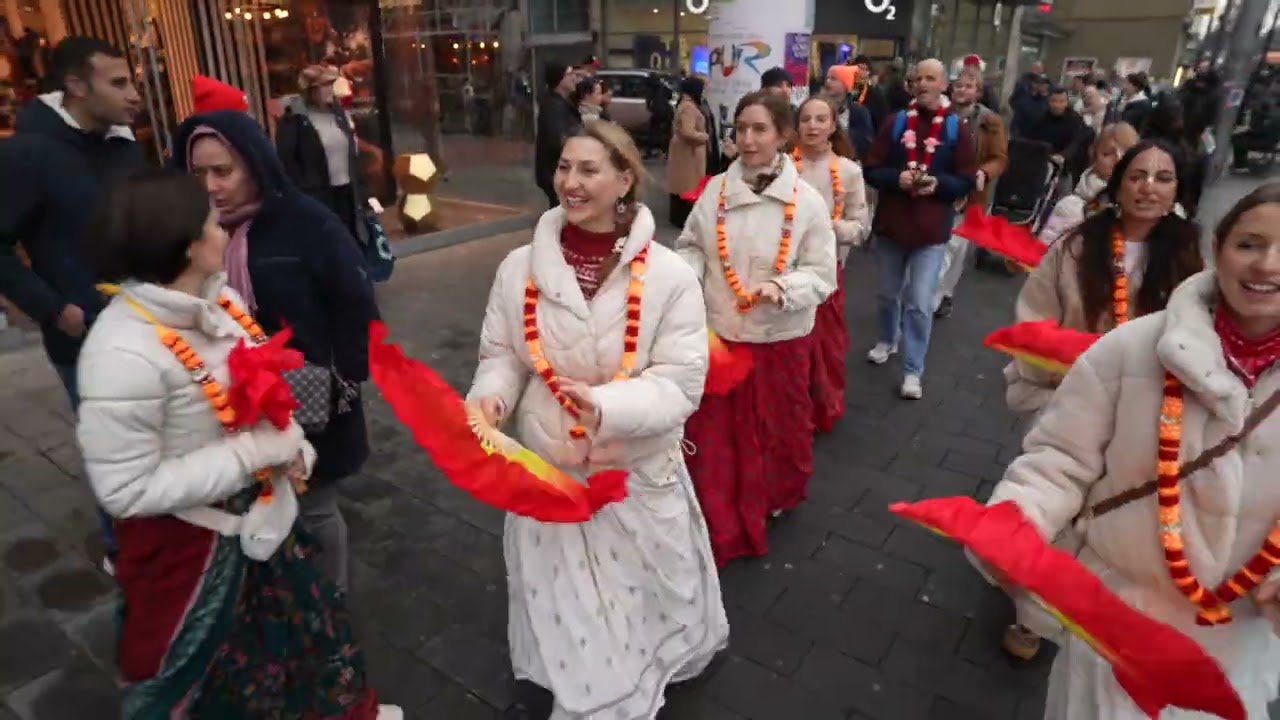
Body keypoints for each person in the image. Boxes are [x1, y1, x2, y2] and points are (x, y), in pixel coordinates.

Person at [76, 169, 401, 720]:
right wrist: (255, 456)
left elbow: (260, 391)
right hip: (193, 556)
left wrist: (292, 444)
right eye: (211, 222)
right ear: (186, 245)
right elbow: (124, 488)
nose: (224, 230)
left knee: (309, 654)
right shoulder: (119, 353)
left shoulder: (217, 301)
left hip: (266, 526)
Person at [981, 182, 1280, 718]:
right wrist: (1014, 525)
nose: (1268, 264)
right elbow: (1057, 462)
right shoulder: (1133, 348)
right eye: (1250, 243)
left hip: (1235, 658)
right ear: (1219, 250)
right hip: (1112, 635)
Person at [467, 120, 729, 719]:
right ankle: (592, 694)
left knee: (640, 594)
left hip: (632, 470)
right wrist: (491, 399)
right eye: (564, 167)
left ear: (624, 180)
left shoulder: (668, 275)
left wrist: (610, 406)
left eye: (588, 170)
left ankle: (644, 670)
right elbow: (503, 354)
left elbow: (683, 380)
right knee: (571, 606)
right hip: (551, 468)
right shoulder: (517, 267)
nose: (571, 182)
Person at [999, 141, 1204, 662]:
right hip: (1070, 400)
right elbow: (1033, 319)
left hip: (1150, 413)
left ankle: (1071, 609)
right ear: (1118, 184)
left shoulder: (1192, 257)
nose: (1149, 187)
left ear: (1178, 189)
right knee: (1058, 505)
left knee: (1108, 514)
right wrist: (1060, 378)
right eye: (1138, 175)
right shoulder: (1076, 247)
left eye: (1163, 177)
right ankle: (1032, 614)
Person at [171, 110, 379, 593]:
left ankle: (331, 602)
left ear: (255, 164)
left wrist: (344, 381)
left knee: (315, 506)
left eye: (223, 171)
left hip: (308, 393)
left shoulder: (306, 224)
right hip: (228, 402)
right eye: (197, 173)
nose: (210, 186)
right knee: (255, 508)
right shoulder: (190, 236)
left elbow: (357, 306)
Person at [0, 35, 144, 574]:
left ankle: (163, 543)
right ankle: (122, 551)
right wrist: (55, 309)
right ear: (78, 87)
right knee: (111, 447)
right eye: (119, 82)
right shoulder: (25, 154)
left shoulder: (123, 143)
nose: (134, 94)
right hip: (83, 336)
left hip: (147, 324)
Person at [675, 90, 837, 564]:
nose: (747, 139)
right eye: (741, 128)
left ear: (783, 135)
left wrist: (784, 289)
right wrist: (683, 275)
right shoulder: (714, 191)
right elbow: (692, 244)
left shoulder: (805, 202)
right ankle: (720, 505)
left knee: (777, 428)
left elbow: (822, 273)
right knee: (719, 435)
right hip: (721, 336)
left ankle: (774, 496)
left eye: (760, 129)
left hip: (779, 339)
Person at [863, 58, 977, 400]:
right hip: (892, 228)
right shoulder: (896, 122)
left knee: (919, 302)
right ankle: (888, 339)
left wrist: (938, 185)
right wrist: (895, 178)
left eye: (931, 78)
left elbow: (967, 179)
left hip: (931, 232)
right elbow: (871, 168)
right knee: (887, 293)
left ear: (945, 85)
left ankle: (913, 370)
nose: (924, 84)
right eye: (918, 79)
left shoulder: (957, 128)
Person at [793, 95, 870, 432]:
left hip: (825, 274)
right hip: (781, 272)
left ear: (832, 125)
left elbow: (860, 227)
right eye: (806, 119)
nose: (812, 126)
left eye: (820, 119)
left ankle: (819, 408)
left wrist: (827, 226)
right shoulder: (780, 166)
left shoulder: (849, 171)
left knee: (823, 348)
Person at [933, 68, 1008, 319]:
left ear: (978, 91)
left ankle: (943, 294)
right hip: (942, 189)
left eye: (968, 86)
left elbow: (999, 158)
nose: (961, 90)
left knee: (956, 249)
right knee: (942, 247)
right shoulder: (940, 115)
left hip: (972, 195)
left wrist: (984, 173)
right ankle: (929, 296)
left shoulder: (990, 121)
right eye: (958, 86)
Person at [276, 64, 369, 246]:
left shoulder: (337, 113)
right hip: (318, 196)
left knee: (352, 243)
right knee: (330, 246)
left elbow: (351, 152)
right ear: (310, 90)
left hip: (347, 193)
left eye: (331, 84)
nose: (330, 89)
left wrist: (363, 193)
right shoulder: (294, 120)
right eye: (324, 85)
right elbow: (287, 162)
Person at [1039, 122, 1140, 246]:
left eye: (1125, 154)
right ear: (1094, 155)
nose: (1117, 160)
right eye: (1107, 153)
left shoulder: (1142, 213)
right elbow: (1046, 251)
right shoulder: (1071, 207)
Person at [534, 61, 582, 208]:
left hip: (558, 170)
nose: (574, 78)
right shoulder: (554, 106)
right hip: (554, 171)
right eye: (570, 74)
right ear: (560, 79)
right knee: (562, 212)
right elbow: (557, 139)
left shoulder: (561, 102)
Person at [667, 76, 710, 228]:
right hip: (688, 153)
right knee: (687, 186)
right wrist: (705, 136)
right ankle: (684, 219)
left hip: (683, 151)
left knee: (682, 185)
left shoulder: (684, 104)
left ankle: (679, 217)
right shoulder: (689, 107)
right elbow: (687, 131)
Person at [823, 64, 875, 159]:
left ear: (845, 84)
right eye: (827, 78)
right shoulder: (817, 106)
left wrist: (839, 134)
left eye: (833, 79)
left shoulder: (859, 112)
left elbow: (866, 142)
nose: (828, 82)